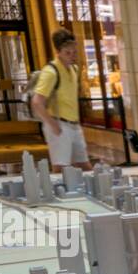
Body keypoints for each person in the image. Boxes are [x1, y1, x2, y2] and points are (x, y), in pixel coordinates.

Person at [29, 28, 93, 172]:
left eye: (74, 52)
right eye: (67, 53)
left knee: (84, 165)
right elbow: (37, 102)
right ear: (58, 52)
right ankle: (58, 194)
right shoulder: (50, 72)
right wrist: (52, 124)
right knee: (60, 167)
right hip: (58, 124)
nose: (72, 56)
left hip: (74, 124)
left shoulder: (74, 69)